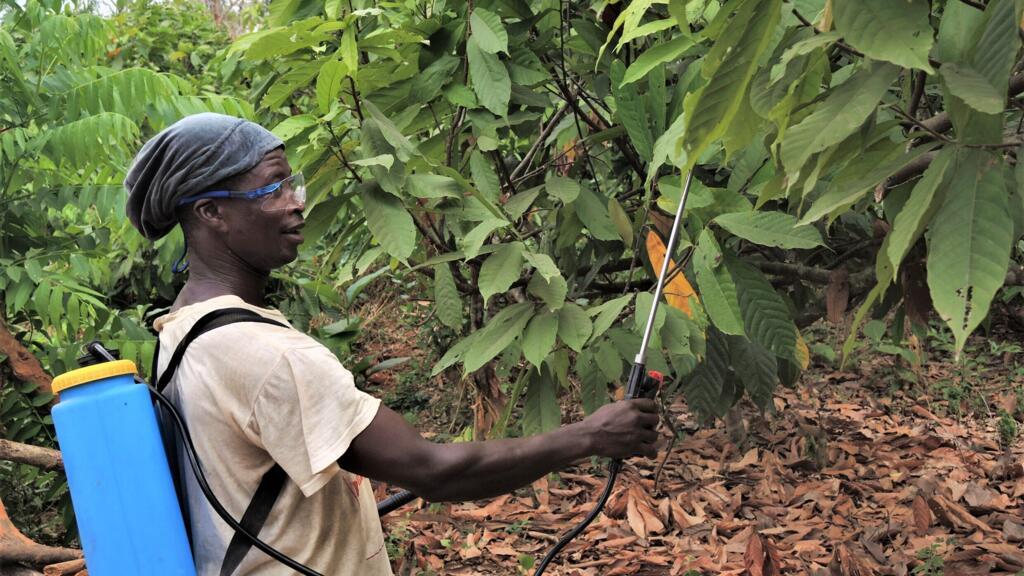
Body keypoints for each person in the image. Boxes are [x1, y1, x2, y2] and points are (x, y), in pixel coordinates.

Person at [124, 113, 660, 576]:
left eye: (295, 184)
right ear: (210, 213)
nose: (296, 204)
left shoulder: (182, 331)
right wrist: (590, 436)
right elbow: (433, 469)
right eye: (273, 188)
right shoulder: (271, 356)